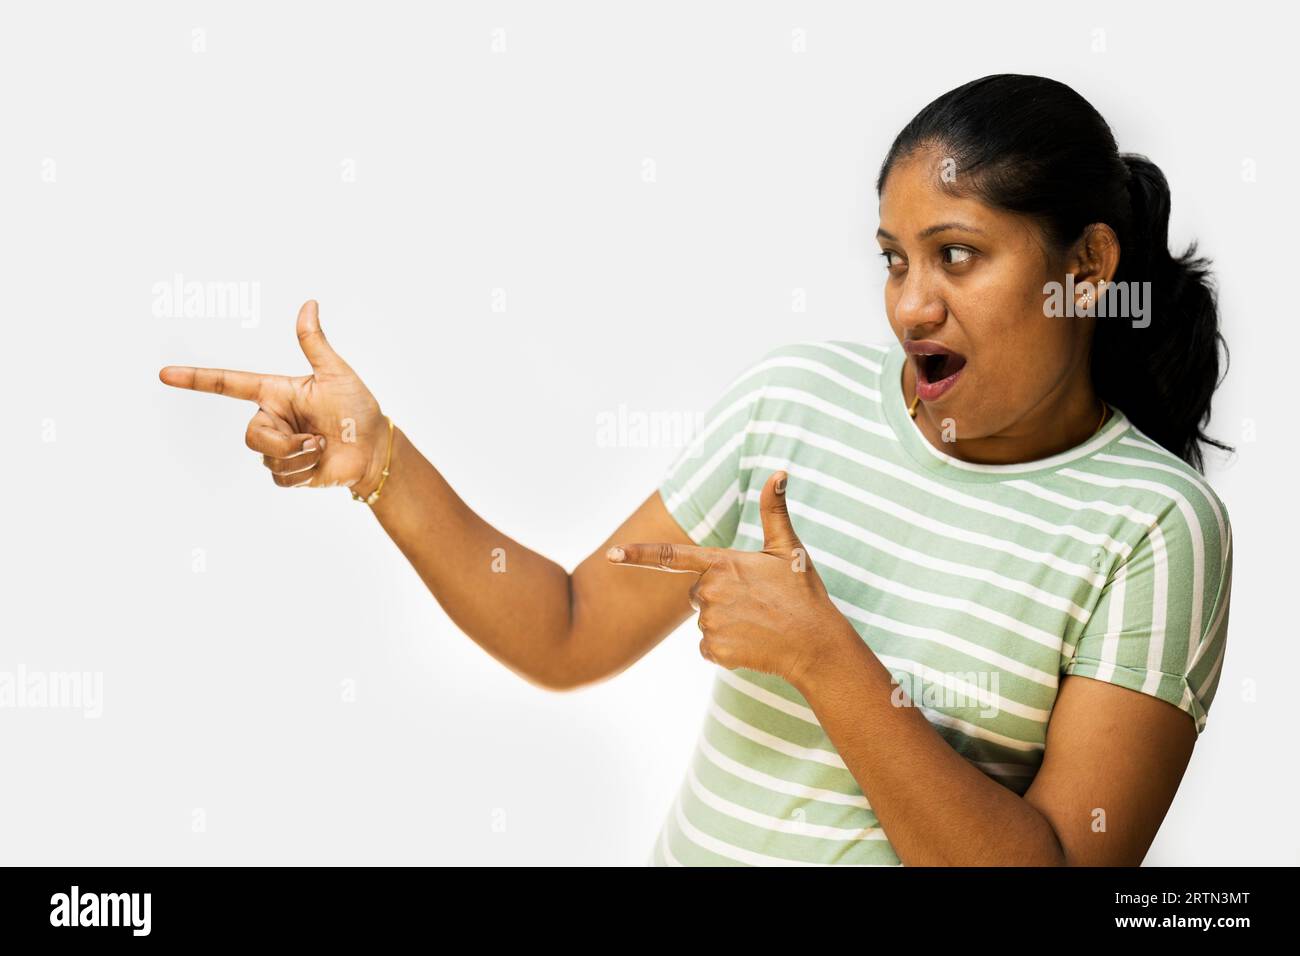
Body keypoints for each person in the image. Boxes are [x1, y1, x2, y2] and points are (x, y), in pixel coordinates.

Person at [160, 74, 1232, 866]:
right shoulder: (795, 401)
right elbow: (570, 628)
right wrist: (380, 462)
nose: (911, 304)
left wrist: (825, 657)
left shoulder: (1153, 525)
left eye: (957, 254)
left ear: (1085, 268)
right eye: (893, 259)